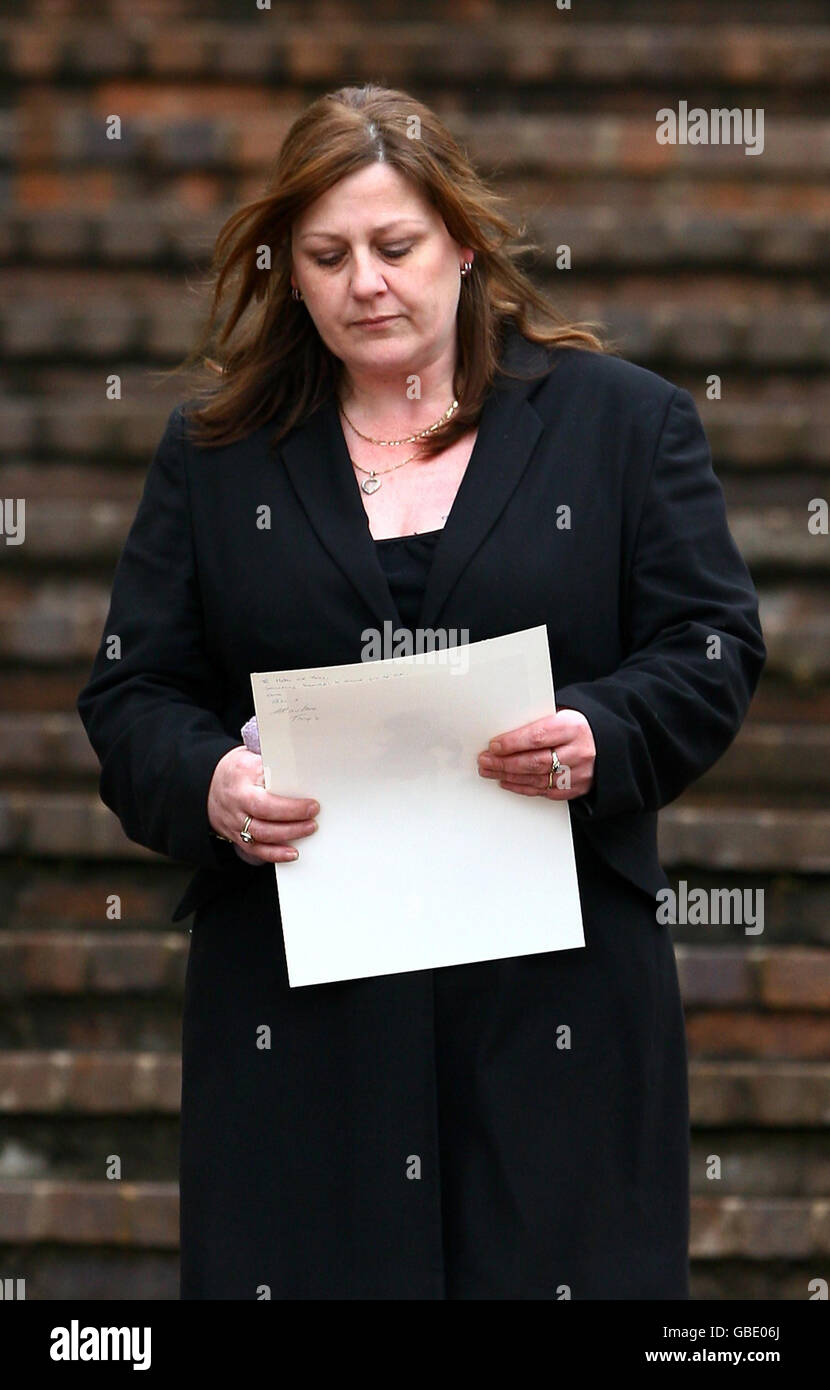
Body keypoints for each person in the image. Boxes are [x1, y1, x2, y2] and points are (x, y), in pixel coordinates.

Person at [76, 84, 766, 1300]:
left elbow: (709, 639)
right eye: (328, 256)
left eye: (394, 247)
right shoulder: (216, 451)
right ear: (288, 270)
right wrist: (214, 782)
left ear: (460, 240)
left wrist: (601, 732)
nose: (367, 284)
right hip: (299, 1010)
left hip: (551, 994)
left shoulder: (621, 425)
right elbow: (133, 695)